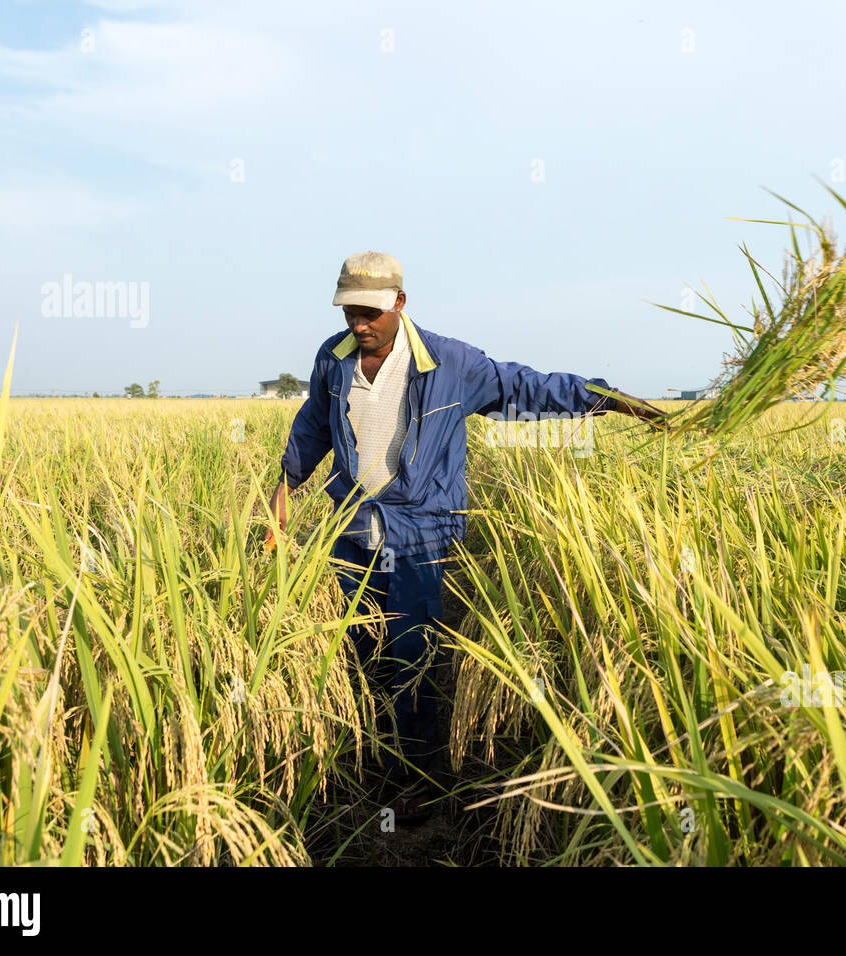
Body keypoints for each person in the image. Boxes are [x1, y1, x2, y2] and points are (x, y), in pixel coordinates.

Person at [267, 250, 666, 825]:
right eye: (351, 311)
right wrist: (283, 494)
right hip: (352, 531)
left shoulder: (451, 363)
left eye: (371, 313)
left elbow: (528, 387)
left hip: (423, 531)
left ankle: (422, 782)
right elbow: (311, 428)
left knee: (416, 660)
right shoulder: (333, 359)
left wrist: (608, 399)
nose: (360, 324)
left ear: (399, 303)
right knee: (361, 655)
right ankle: (374, 761)